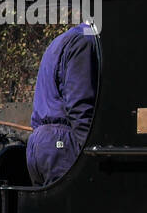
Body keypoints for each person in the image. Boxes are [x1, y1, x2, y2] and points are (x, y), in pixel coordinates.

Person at [27, 23, 100, 186]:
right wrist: (91, 152)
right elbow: (80, 105)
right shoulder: (85, 42)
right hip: (62, 143)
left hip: (40, 145)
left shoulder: (62, 40)